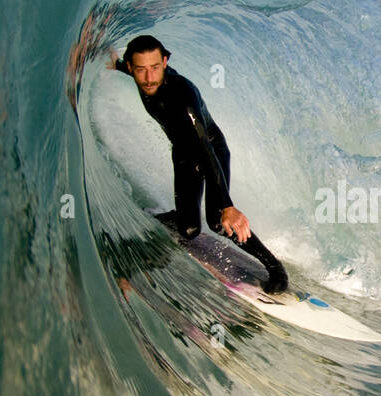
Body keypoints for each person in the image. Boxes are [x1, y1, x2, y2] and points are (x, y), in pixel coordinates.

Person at [108, 35, 288, 294]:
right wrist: (112, 63)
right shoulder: (144, 74)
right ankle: (177, 217)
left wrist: (227, 205)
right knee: (189, 231)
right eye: (140, 70)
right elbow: (137, 69)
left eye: (155, 68)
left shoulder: (183, 100)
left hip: (210, 148)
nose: (148, 78)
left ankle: (275, 267)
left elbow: (206, 151)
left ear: (165, 62)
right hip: (184, 154)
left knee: (218, 222)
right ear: (131, 67)